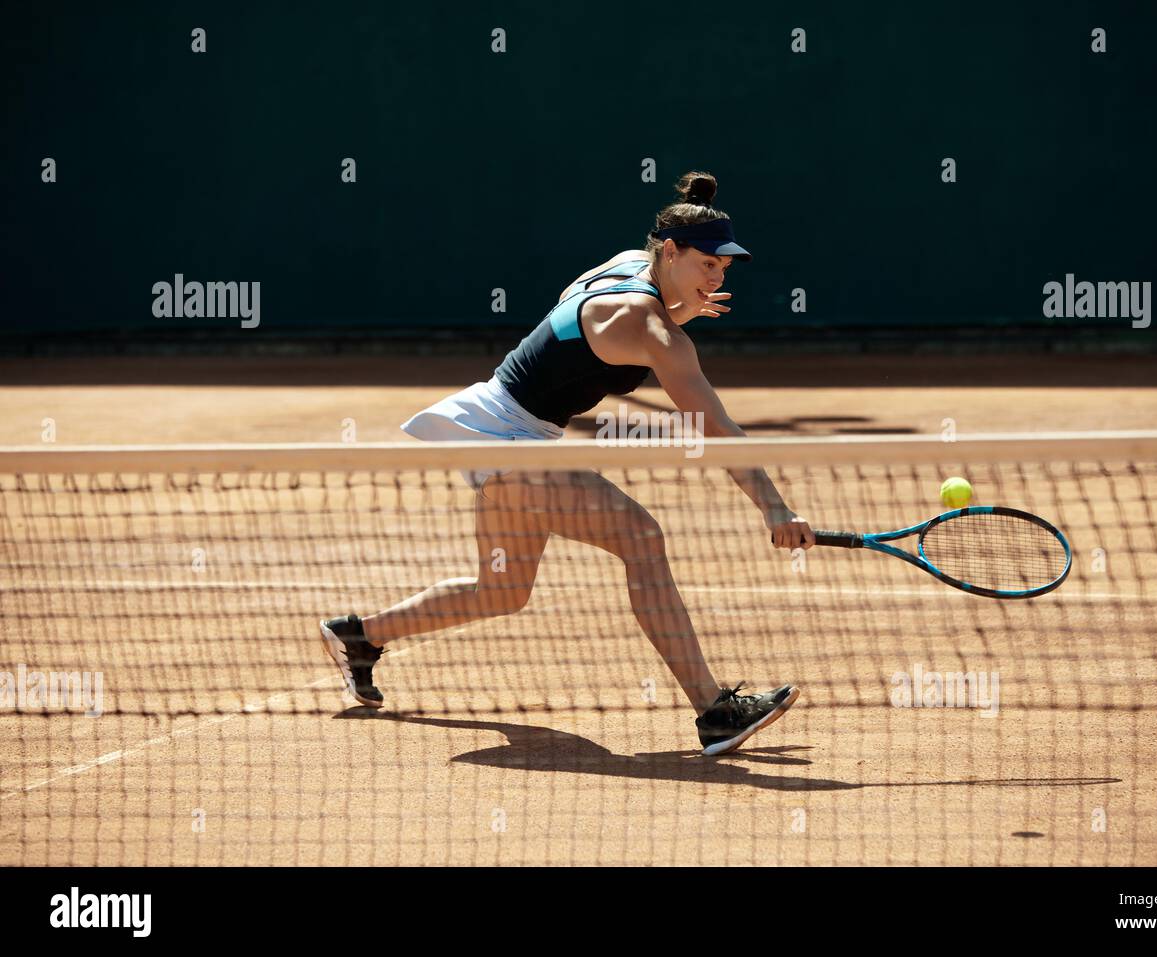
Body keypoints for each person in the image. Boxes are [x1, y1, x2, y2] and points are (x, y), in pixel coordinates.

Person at [320, 171, 815, 756]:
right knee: (641, 537)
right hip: (505, 438)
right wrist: (774, 508)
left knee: (501, 590)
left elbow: (575, 327)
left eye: (724, 269)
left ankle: (359, 637)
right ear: (673, 252)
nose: (717, 276)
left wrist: (677, 310)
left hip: (493, 420)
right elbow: (717, 429)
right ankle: (714, 711)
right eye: (708, 263)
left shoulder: (630, 262)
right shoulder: (653, 330)